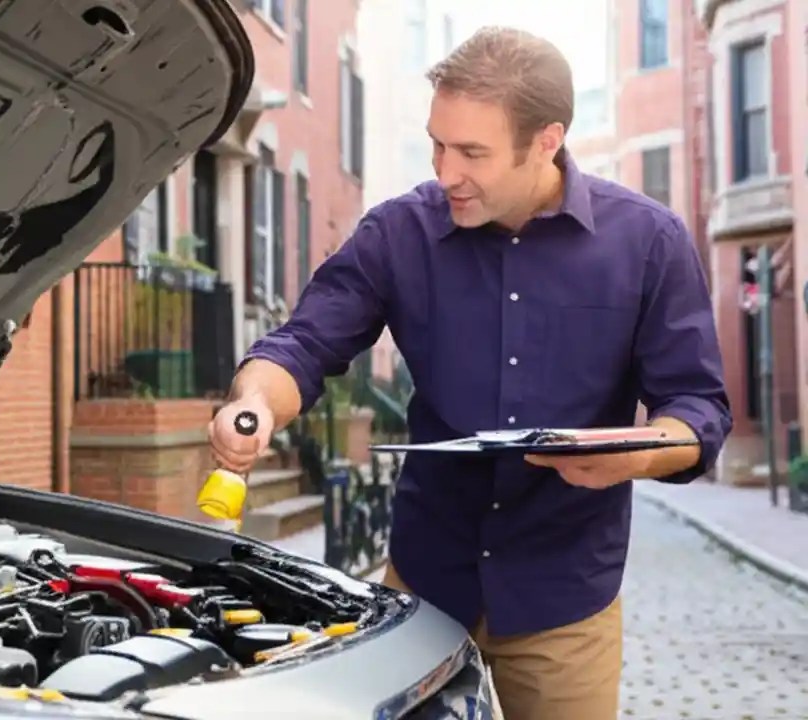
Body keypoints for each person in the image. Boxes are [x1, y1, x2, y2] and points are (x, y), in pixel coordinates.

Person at [208, 26, 731, 720]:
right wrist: (255, 406)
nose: (445, 170)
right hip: (423, 590)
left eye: (472, 153)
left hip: (564, 602)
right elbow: (303, 345)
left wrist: (633, 456)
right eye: (438, 145)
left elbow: (697, 407)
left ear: (546, 140)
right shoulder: (398, 233)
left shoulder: (649, 243)